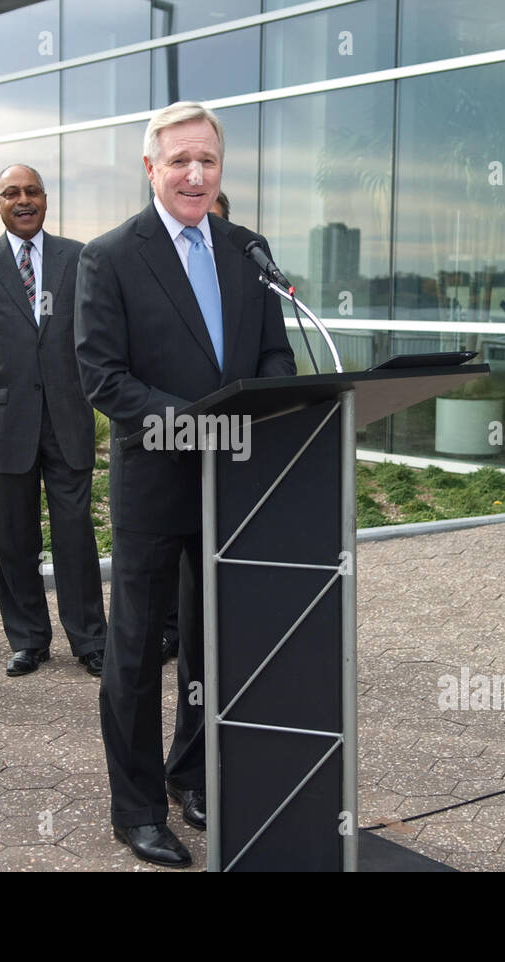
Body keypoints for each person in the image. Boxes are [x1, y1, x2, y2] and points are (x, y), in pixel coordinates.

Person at [75, 102, 296, 867]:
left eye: (207, 160)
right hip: (156, 483)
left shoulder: (247, 250)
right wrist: (203, 423)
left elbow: (275, 356)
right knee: (135, 651)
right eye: (179, 161)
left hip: (234, 483)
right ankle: (135, 809)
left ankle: (192, 776)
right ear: (151, 169)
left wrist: (261, 406)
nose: (194, 174)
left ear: (221, 169)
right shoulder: (109, 258)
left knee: (216, 642)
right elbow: (104, 380)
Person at [0, 165, 106, 678]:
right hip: (7, 422)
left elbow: (96, 335)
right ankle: (27, 639)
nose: (23, 200)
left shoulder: (81, 257)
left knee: (75, 535)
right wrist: (5, 387)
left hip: (68, 417)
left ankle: (91, 639)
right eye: (11, 193)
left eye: (32, 191)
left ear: (45, 199)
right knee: (12, 537)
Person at [161, 189, 229, 664]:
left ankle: (204, 735)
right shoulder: (126, 260)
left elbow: (274, 355)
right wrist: (190, 422)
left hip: (236, 459)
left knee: (212, 605)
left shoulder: (244, 258)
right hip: (162, 455)